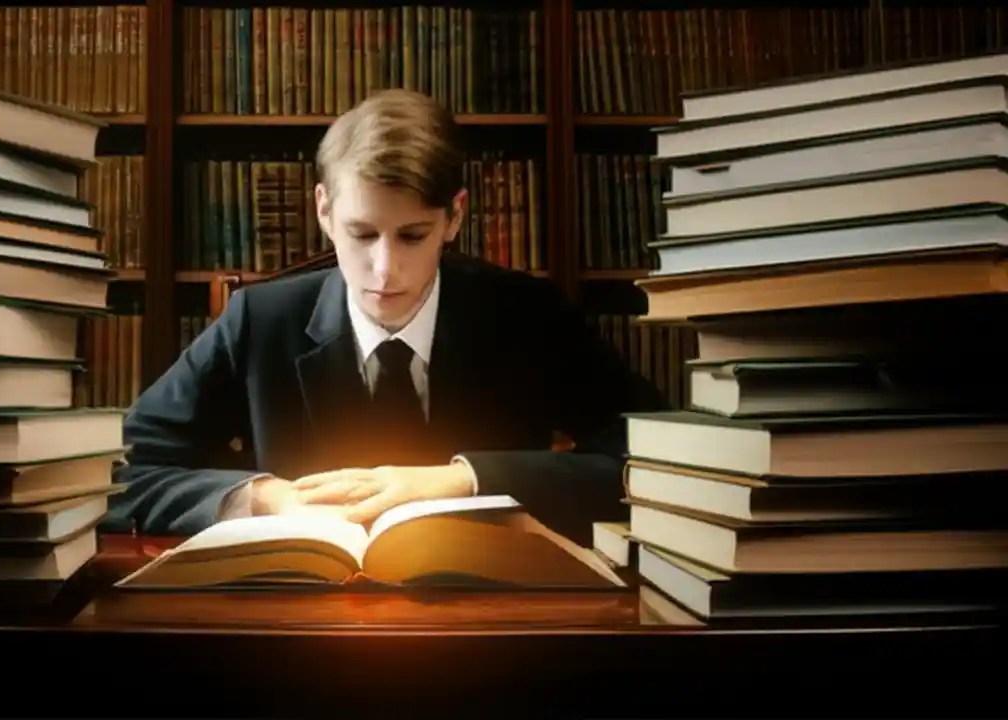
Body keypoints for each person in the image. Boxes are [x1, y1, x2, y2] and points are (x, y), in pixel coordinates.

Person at [101, 89, 666, 541]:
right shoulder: (259, 321)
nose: (384, 269)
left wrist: (463, 478)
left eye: (413, 235)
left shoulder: (526, 315)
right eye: (362, 233)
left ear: (454, 217)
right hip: (296, 617)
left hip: (488, 614)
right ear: (324, 209)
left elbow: (656, 454)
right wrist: (263, 496)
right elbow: (113, 470)